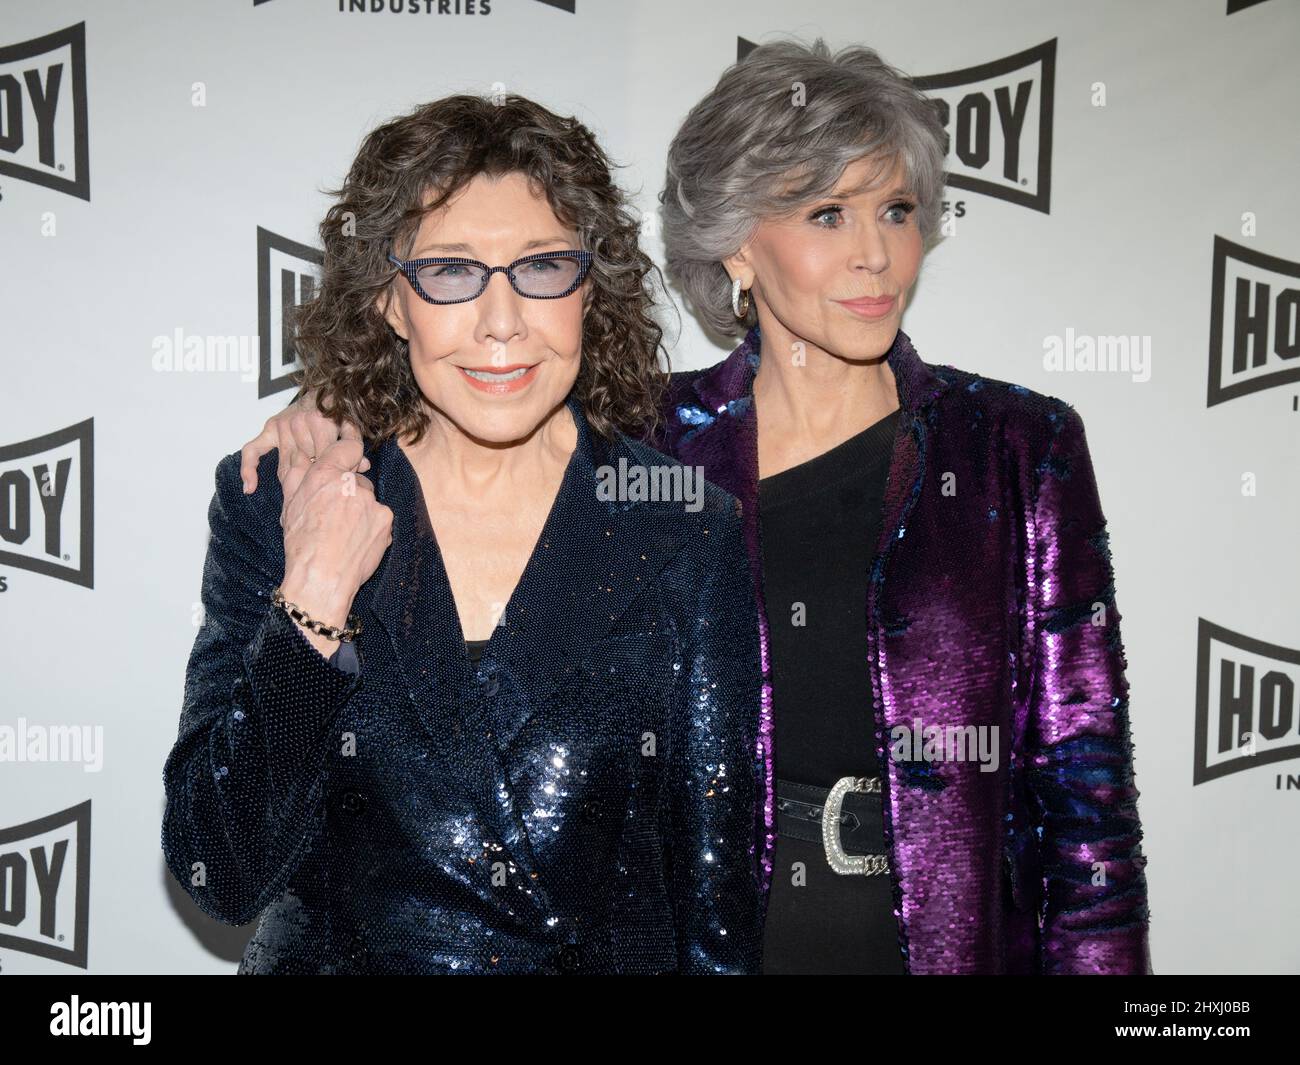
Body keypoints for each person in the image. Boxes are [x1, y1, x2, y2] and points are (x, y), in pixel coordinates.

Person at [240, 39, 1152, 975]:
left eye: (899, 210)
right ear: (736, 245)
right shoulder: (652, 443)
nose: (875, 253)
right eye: (827, 213)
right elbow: (464, 395)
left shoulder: (1015, 447)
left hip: (950, 943)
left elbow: (1086, 794)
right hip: (731, 937)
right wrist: (329, 412)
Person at [162, 93, 764, 974]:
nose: (501, 320)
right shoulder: (279, 497)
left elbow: (719, 913)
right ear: (389, 302)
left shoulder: (682, 523)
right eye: (449, 272)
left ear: (589, 290)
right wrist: (315, 599)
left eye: (543, 267)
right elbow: (221, 868)